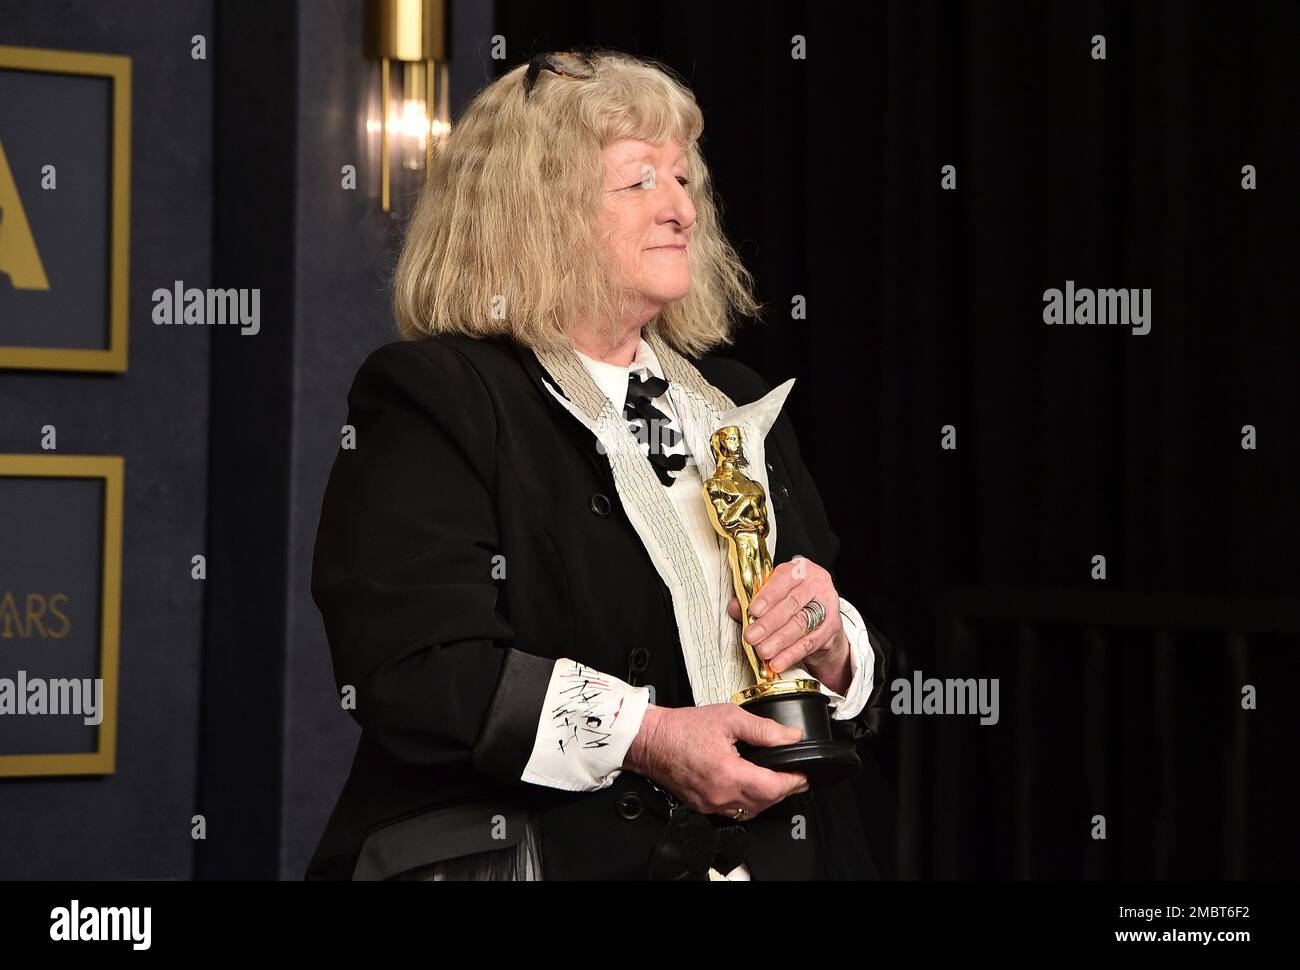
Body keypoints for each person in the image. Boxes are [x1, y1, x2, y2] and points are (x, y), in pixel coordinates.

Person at [306, 49, 891, 881]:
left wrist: (833, 645)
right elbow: (415, 672)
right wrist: (652, 740)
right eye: (641, 181)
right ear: (534, 213)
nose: (683, 210)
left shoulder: (733, 399)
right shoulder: (439, 396)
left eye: (684, 179)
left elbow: (837, 637)